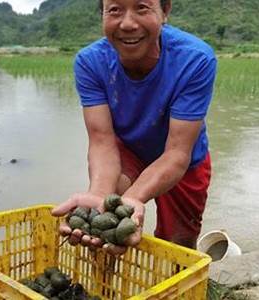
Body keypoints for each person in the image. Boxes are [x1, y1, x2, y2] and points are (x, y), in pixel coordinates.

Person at [52, 0, 217, 255]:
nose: (128, 24)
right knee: (106, 218)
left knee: (179, 242)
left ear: (165, 11)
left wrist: (137, 196)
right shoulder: (90, 62)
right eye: (115, 10)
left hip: (182, 160)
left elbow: (176, 153)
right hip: (127, 149)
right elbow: (101, 141)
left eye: (142, 8)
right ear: (103, 15)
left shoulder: (195, 59)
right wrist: (99, 195)